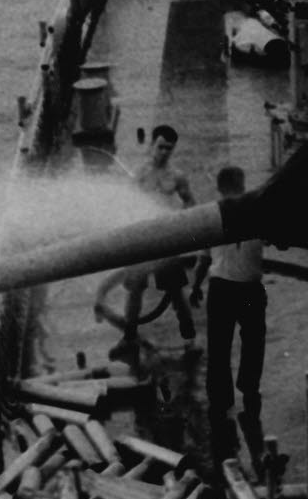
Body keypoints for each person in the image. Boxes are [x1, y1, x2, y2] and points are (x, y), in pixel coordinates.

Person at [190, 166, 267, 469]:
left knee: (219, 346)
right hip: (249, 287)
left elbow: (203, 259)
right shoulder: (258, 212)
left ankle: (220, 402)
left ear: (220, 189)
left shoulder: (213, 216)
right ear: (242, 184)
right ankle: (249, 389)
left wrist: (196, 286)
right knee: (252, 342)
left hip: (221, 288)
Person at [108, 125, 199, 362]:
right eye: (160, 147)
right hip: (143, 241)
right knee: (135, 292)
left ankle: (190, 342)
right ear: (151, 146)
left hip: (167, 243)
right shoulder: (139, 174)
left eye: (169, 148)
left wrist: (187, 235)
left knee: (177, 293)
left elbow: (191, 204)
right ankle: (128, 339)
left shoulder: (177, 176)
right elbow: (126, 206)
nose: (164, 152)